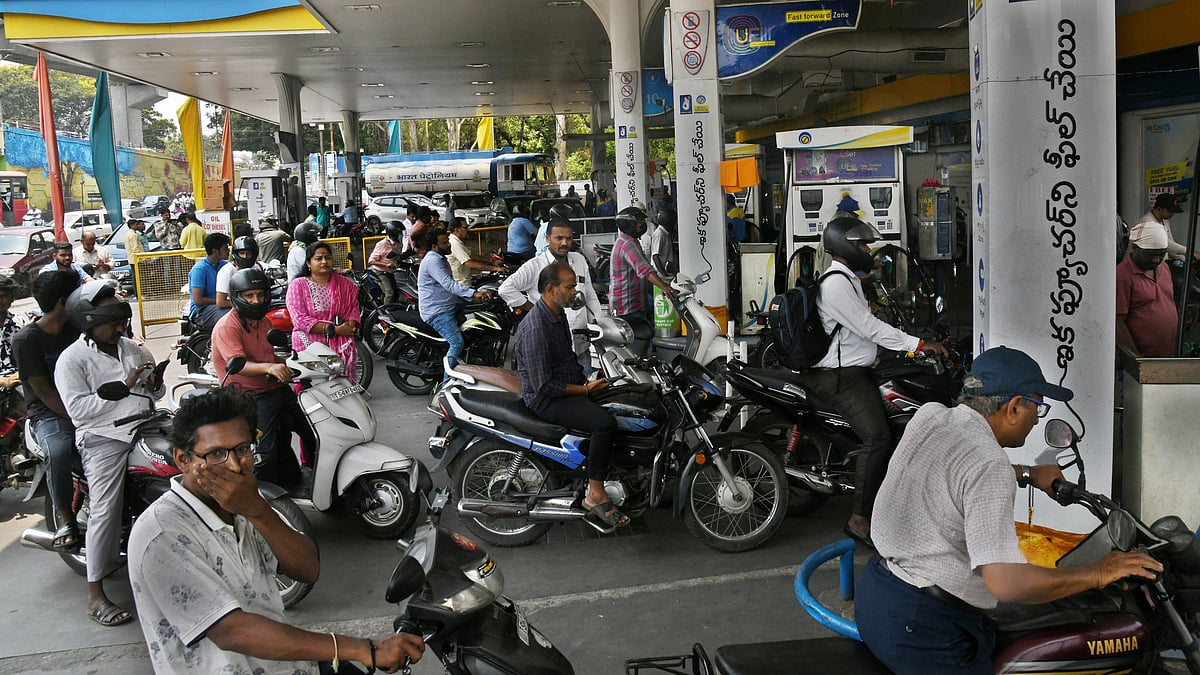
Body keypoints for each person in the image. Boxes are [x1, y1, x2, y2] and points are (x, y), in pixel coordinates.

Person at [858, 346, 1162, 674]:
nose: (1036, 419)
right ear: (1015, 407)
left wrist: (1027, 474)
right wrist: (1098, 574)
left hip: (877, 593)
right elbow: (1006, 584)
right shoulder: (989, 463)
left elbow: (953, 465)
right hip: (924, 628)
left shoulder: (931, 416)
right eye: (1039, 407)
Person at [127, 387, 425, 674]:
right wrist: (360, 648)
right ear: (184, 460)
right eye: (216, 454)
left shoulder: (244, 506)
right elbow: (231, 631)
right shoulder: (161, 533)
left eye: (242, 449)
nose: (234, 466)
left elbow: (306, 569)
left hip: (290, 664)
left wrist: (257, 510)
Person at [805, 216, 948, 546]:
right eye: (860, 245)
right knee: (878, 437)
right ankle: (859, 520)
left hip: (857, 370)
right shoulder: (836, 284)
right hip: (839, 377)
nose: (866, 249)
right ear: (844, 246)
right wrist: (917, 344)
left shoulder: (848, 279)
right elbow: (869, 328)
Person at [55, 279, 165, 627]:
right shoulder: (71, 360)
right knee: (105, 507)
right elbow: (78, 411)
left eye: (122, 322)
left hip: (147, 422)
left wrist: (152, 384)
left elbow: (156, 392)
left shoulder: (131, 347)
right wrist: (124, 388)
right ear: (89, 321)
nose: (120, 328)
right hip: (105, 437)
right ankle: (96, 594)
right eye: (113, 323)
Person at [513, 262, 624, 529]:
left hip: (566, 387)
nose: (575, 291)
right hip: (546, 400)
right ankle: (595, 493)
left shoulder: (557, 314)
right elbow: (544, 386)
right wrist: (585, 390)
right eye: (570, 286)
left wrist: (590, 381)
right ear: (551, 290)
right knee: (604, 424)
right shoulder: (536, 328)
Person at [212, 269, 305, 486]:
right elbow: (238, 364)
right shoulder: (228, 326)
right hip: (249, 395)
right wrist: (270, 368)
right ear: (237, 296)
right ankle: (261, 500)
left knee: (311, 432)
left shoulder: (264, 322)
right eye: (249, 296)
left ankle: (297, 481)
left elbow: (270, 355)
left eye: (260, 295)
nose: (256, 301)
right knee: (265, 454)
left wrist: (302, 363)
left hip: (275, 388)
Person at [13, 271, 82, 551]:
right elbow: (43, 391)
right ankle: (66, 517)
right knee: (59, 450)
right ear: (64, 301)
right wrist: (79, 416)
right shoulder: (26, 340)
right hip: (50, 412)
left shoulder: (76, 328)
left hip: (85, 403)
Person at [499, 206, 602, 371]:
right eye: (559, 238)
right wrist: (533, 308)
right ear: (548, 238)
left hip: (581, 343)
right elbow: (505, 289)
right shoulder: (535, 265)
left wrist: (600, 320)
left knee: (586, 385)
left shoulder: (579, 260)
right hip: (552, 346)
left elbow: (589, 293)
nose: (564, 243)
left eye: (568, 238)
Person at [286, 242, 362, 384]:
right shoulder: (298, 285)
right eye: (318, 258)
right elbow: (299, 319)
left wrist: (350, 326)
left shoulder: (343, 284)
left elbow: (353, 306)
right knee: (315, 388)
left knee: (340, 387)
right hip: (308, 343)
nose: (324, 262)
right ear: (308, 263)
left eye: (327, 258)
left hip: (338, 343)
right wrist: (334, 329)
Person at [417, 229, 490, 372]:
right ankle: (446, 384)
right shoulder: (433, 261)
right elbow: (449, 284)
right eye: (444, 243)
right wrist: (474, 293)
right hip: (438, 312)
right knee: (457, 343)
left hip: (450, 305)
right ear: (434, 246)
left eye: (448, 241)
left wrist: (471, 298)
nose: (449, 245)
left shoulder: (441, 258)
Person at [608, 206, 677, 353]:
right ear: (630, 225)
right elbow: (644, 269)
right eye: (639, 222)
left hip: (635, 302)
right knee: (637, 341)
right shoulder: (627, 244)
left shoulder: (632, 241)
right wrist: (664, 287)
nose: (643, 225)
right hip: (626, 306)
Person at [1116, 223, 1177, 358]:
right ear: (1135, 248)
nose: (1156, 260)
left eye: (1161, 255)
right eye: (1150, 255)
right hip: (1141, 359)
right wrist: (1136, 358)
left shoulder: (1164, 268)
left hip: (1166, 354)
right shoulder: (1122, 275)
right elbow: (1117, 321)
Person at [1132, 192, 1195, 262]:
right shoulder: (1148, 222)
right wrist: (1189, 252)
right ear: (1159, 209)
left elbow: (1171, 245)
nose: (1172, 214)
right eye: (1169, 211)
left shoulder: (1164, 220)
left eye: (1174, 211)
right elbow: (1166, 244)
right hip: (1144, 264)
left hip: (1160, 263)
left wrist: (1185, 259)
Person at [188, 232, 232, 330]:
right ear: (215, 251)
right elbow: (198, 300)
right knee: (231, 318)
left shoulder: (225, 265)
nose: (228, 252)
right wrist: (223, 302)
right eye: (225, 249)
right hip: (202, 311)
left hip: (220, 305)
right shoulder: (199, 269)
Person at [448, 216, 503, 285]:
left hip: (466, 280)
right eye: (465, 228)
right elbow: (469, 263)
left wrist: (492, 261)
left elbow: (470, 255)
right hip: (462, 285)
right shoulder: (455, 244)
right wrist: (495, 268)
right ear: (457, 230)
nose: (468, 230)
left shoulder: (457, 241)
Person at [216, 236, 263, 310]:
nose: (245, 256)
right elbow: (220, 302)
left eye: (248, 253)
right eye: (242, 253)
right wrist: (245, 304)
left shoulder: (257, 268)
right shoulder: (227, 270)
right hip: (233, 308)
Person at [368, 220, 405, 304]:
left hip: (390, 272)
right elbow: (371, 261)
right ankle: (385, 314)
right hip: (380, 272)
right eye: (399, 233)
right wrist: (386, 264)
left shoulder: (398, 244)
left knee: (396, 294)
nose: (401, 235)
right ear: (393, 233)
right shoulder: (382, 244)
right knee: (390, 294)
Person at [0, 278, 22, 385]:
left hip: (20, 380)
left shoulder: (19, 322)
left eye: (3, 296)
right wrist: (4, 382)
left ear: (11, 298)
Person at [651, 206, 676, 277]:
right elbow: (655, 256)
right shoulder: (659, 234)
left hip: (666, 272)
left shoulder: (666, 233)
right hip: (661, 275)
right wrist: (664, 275)